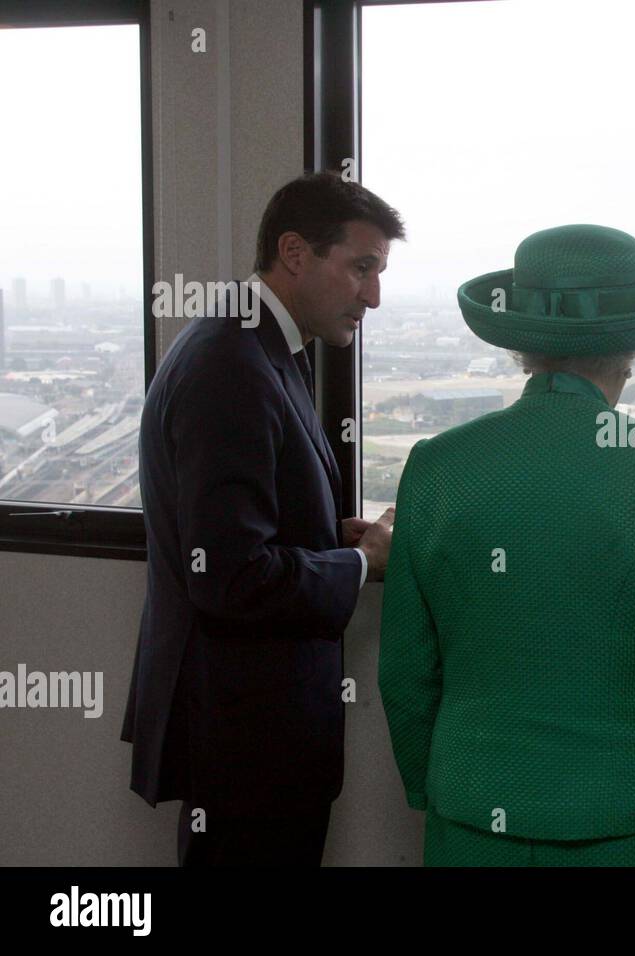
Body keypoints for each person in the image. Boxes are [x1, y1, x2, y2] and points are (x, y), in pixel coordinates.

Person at [378, 223, 635, 866]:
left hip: (476, 822)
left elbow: (407, 673)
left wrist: (433, 784)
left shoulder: (435, 466)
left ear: (521, 347)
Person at [121, 171, 405, 866]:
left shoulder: (259, 346)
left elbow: (243, 526)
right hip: (246, 732)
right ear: (295, 253)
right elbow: (229, 576)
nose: (373, 296)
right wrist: (363, 563)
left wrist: (331, 535)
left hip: (252, 725)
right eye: (361, 268)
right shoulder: (232, 364)